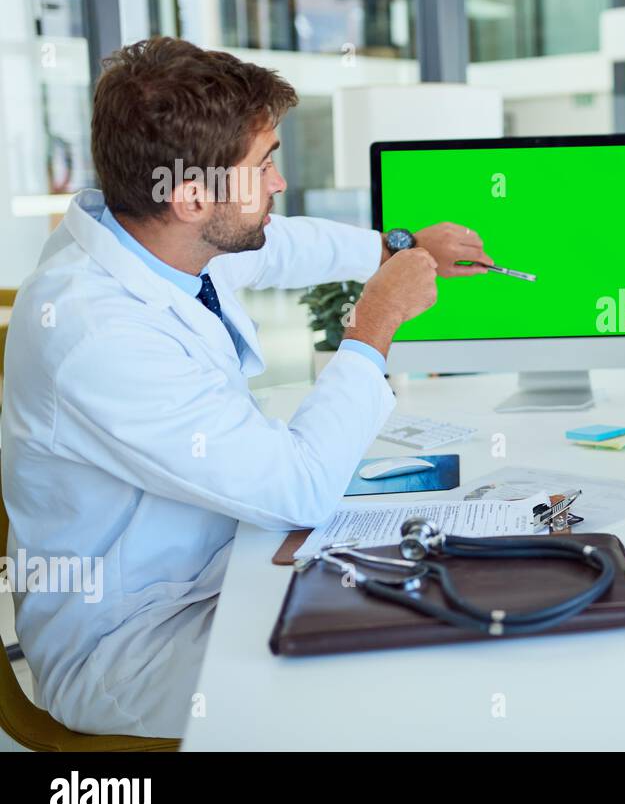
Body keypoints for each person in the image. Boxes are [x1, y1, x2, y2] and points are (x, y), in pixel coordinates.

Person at [1, 37, 494, 736]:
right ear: (194, 196)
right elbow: (300, 487)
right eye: (263, 165)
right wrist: (375, 321)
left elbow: (278, 244)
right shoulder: (97, 333)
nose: (278, 183)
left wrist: (394, 246)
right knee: (391, 684)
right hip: (131, 641)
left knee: (420, 598)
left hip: (218, 565)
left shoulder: (158, 236)